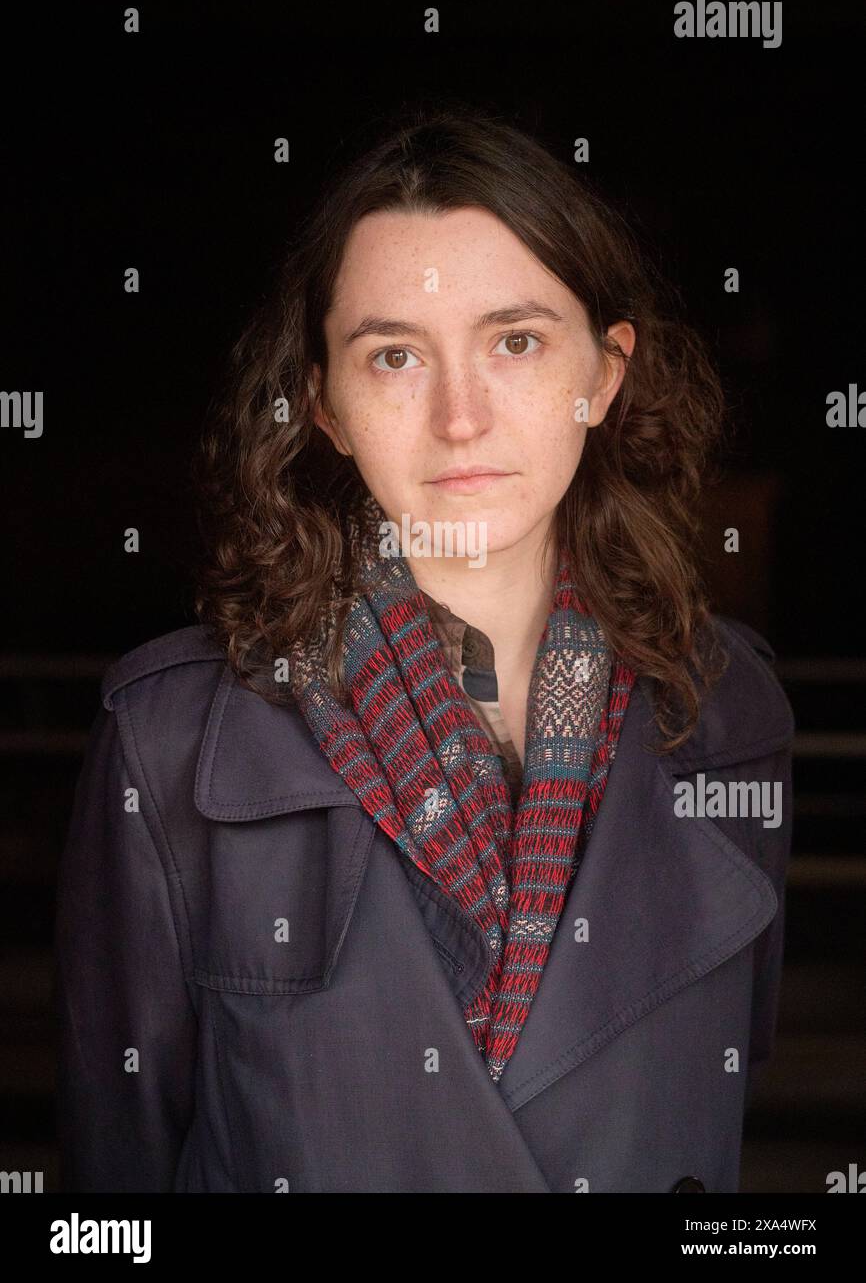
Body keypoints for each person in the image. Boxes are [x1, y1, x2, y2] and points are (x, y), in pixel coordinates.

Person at [54, 103, 794, 1193]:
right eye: (394, 355)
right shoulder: (168, 744)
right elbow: (116, 1181)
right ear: (327, 405)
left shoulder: (730, 712)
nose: (460, 416)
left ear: (602, 373)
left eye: (515, 341)